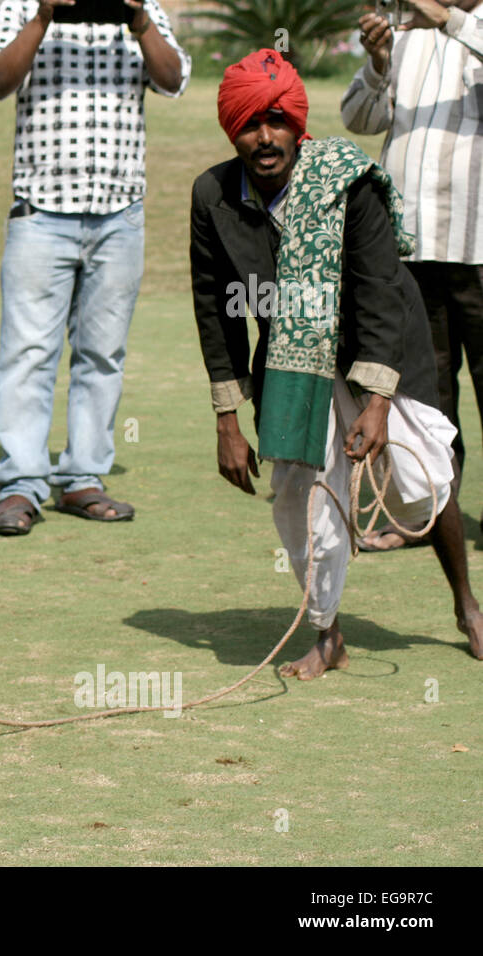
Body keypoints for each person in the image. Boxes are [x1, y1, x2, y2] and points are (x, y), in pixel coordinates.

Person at [191, 49, 483, 679]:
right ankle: (328, 633)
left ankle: (466, 604)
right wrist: (226, 420)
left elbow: (380, 288)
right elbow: (214, 308)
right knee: (299, 495)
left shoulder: (348, 180)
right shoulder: (213, 196)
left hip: (379, 343)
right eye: (249, 123)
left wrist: (377, 403)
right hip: (292, 362)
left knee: (425, 478)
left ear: (298, 123)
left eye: (277, 120)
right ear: (231, 130)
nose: (264, 137)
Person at [0, 0, 189, 534]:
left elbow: (174, 79)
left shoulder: (141, 6)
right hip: (39, 213)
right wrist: (44, 17)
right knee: (28, 353)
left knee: (102, 352)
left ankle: (82, 477)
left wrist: (139, 20)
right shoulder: (24, 3)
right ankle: (22, 483)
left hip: (119, 214)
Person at [341, 0, 483, 551]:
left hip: (477, 247)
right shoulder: (407, 36)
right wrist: (379, 63)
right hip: (413, 250)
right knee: (427, 396)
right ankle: (427, 516)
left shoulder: (459, 26)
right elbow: (358, 118)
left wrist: (448, 19)